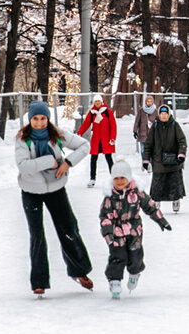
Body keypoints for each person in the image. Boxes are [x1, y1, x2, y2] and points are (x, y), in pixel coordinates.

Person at [15, 101, 94, 295]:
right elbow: (23, 165)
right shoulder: (22, 139)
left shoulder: (57, 134)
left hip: (56, 189)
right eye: (35, 119)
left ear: (48, 119)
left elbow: (85, 145)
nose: (39, 123)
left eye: (43, 118)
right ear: (30, 119)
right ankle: (39, 281)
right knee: (37, 235)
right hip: (31, 192)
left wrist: (67, 162)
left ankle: (79, 271)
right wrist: (48, 161)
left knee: (69, 228)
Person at [99, 159, 171, 298]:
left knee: (135, 257)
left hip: (134, 231)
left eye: (123, 178)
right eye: (116, 179)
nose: (119, 182)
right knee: (117, 256)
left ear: (129, 178)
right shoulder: (109, 198)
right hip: (117, 232)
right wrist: (108, 235)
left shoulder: (137, 193)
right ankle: (114, 281)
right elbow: (105, 218)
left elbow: (150, 206)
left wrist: (161, 220)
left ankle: (134, 273)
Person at [143, 104, 187, 213]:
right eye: (162, 114)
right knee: (158, 183)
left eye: (165, 114)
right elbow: (148, 144)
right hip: (159, 161)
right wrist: (146, 159)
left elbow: (182, 141)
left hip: (174, 161)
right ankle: (156, 202)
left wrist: (181, 154)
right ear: (159, 114)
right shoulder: (155, 126)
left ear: (169, 114)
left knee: (174, 182)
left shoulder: (174, 125)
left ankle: (176, 200)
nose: (163, 116)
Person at [77, 93, 117, 187]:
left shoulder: (108, 112)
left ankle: (115, 178)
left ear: (101, 102)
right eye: (96, 101)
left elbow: (113, 126)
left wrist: (112, 138)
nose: (97, 103)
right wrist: (79, 133)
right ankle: (92, 179)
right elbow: (86, 124)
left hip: (106, 140)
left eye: (99, 101)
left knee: (109, 158)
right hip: (96, 140)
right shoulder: (92, 112)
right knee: (93, 159)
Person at [135, 94, 156, 164]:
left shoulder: (155, 111)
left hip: (152, 134)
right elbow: (137, 121)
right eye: (148, 101)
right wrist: (135, 131)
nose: (149, 103)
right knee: (143, 150)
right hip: (142, 134)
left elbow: (158, 122)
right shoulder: (141, 111)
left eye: (150, 101)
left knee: (151, 150)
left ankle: (151, 163)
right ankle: (145, 163)